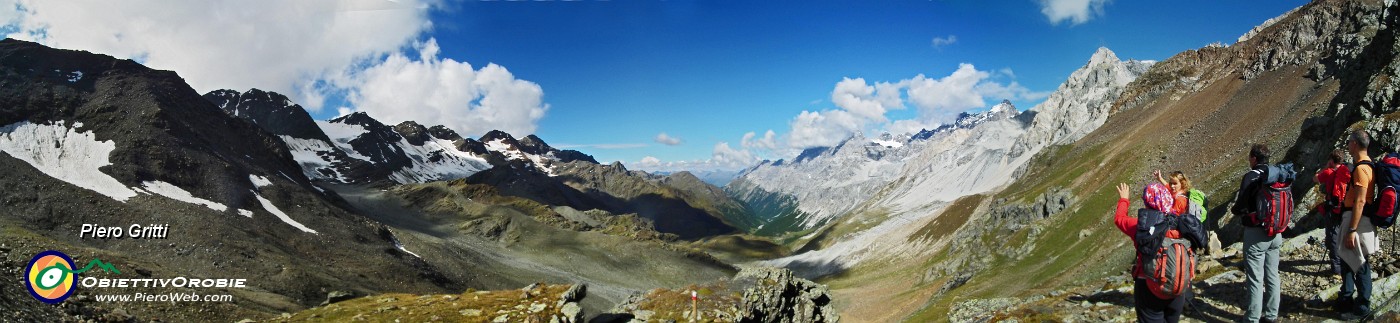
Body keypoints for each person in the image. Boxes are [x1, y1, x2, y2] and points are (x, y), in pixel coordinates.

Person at [1113, 182, 1202, 323]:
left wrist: (1124, 199)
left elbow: (1119, 219)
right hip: (1178, 290)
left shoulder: (1142, 227)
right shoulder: (1182, 224)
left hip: (1149, 287)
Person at [1230, 144, 1281, 323]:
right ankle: (1272, 315)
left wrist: (1235, 211)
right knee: (1273, 274)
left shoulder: (1251, 176)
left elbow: (1242, 203)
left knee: (1255, 278)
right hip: (1276, 231)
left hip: (1256, 233)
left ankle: (1252, 318)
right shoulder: (1276, 173)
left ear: (1253, 158)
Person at [1338, 131, 1378, 319]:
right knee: (1347, 260)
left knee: (1359, 262)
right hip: (1354, 218)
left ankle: (1362, 307)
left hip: (1357, 221)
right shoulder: (1365, 166)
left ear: (1354, 144)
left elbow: (1360, 201)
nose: (1347, 145)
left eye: (1349, 142)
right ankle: (1345, 300)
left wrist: (1352, 230)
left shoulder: (1362, 169)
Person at [1314, 150, 1348, 280]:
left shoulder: (1329, 172)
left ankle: (1337, 268)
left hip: (1333, 208)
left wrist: (1326, 167)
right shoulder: (1347, 171)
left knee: (1333, 236)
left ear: (1332, 161)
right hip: (1346, 208)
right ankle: (1347, 261)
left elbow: (1315, 178)